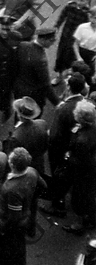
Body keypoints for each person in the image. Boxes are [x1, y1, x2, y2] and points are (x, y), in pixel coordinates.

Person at [0, 147, 40, 265]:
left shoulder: (11, 189)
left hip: (11, 228)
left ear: (12, 164)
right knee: (19, 254)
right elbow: (42, 187)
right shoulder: (32, 173)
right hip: (24, 222)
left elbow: (13, 217)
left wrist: (1, 227)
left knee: (6, 260)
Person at [45, 72, 88, 217]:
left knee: (57, 175)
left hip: (59, 148)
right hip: (73, 147)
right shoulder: (84, 103)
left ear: (69, 87)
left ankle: (57, 205)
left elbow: (55, 135)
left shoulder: (64, 109)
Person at [63, 100, 96, 234]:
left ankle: (79, 224)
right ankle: (91, 218)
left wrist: (68, 157)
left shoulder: (81, 140)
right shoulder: (93, 128)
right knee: (90, 194)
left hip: (83, 173)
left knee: (79, 198)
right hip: (92, 169)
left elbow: (80, 161)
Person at [12, 27, 59, 111]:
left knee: (20, 114)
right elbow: (46, 85)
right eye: (52, 40)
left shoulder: (23, 45)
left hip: (18, 89)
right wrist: (57, 103)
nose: (53, 43)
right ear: (43, 40)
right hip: (34, 96)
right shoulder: (40, 60)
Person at [55, 0, 92, 80]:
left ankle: (69, 76)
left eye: (82, 1)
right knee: (60, 55)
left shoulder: (88, 13)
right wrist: (56, 27)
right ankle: (59, 75)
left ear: (88, 1)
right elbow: (62, 17)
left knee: (71, 58)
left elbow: (87, 28)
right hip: (65, 35)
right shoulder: (70, 6)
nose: (79, 2)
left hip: (76, 39)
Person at [74, 6, 96, 73]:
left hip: (93, 56)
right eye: (91, 17)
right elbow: (75, 44)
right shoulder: (82, 27)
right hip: (81, 52)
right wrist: (78, 57)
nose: (93, 20)